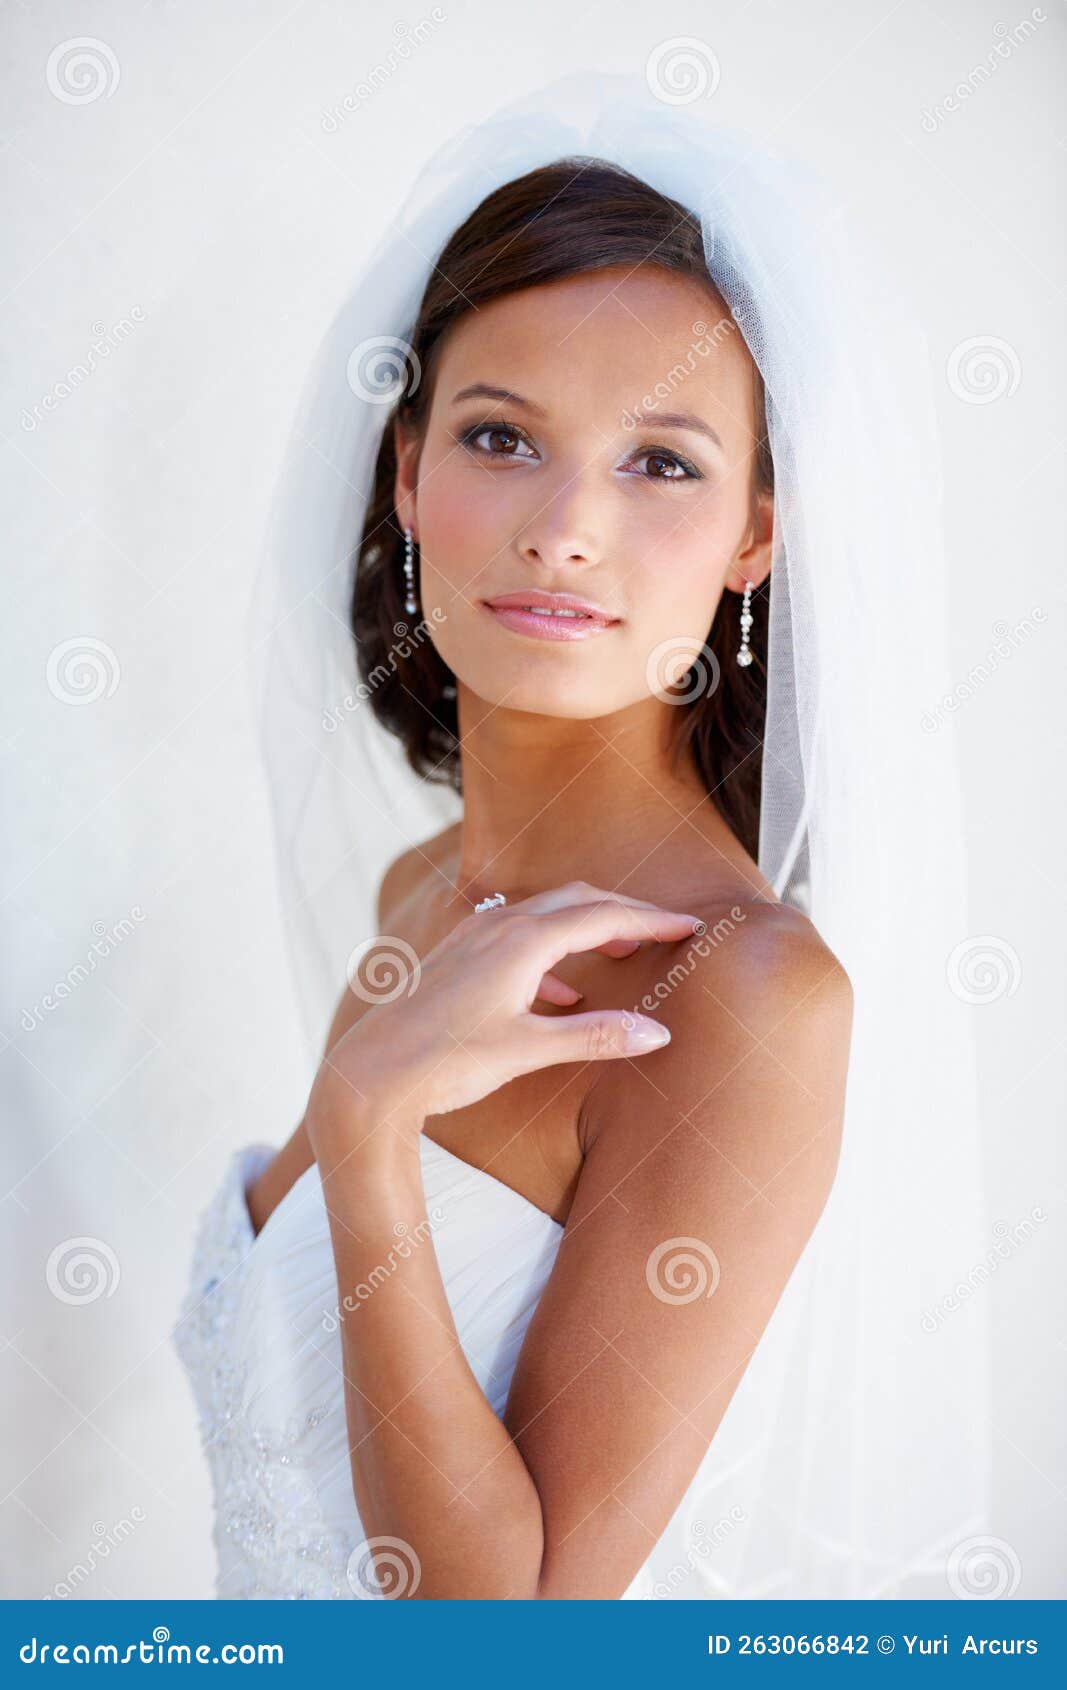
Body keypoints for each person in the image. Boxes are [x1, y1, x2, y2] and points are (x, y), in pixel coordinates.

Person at [173, 73, 989, 1601]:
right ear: (406, 472)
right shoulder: (423, 890)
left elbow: (511, 1629)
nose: (565, 525)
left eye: (663, 461)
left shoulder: (745, 995)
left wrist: (366, 1133)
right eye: (500, 436)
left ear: (758, 528)